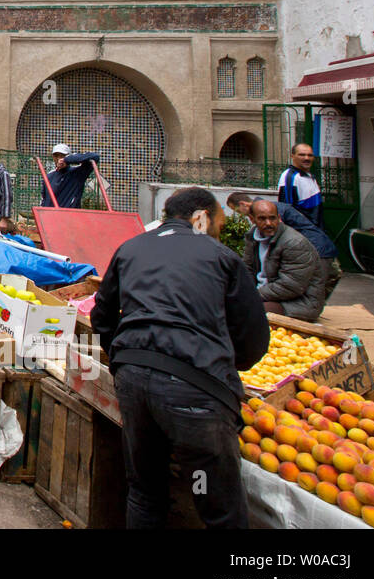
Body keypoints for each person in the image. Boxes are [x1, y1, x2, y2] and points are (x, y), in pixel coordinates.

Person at [92, 187, 268, 529]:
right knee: (211, 498)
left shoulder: (131, 248)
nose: (219, 227)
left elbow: (102, 315)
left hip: (134, 385)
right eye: (219, 220)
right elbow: (253, 337)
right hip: (195, 395)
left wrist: (126, 358)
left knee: (145, 491)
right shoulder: (221, 257)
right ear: (201, 217)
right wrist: (226, 367)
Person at [241, 199, 328, 321]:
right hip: (266, 294)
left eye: (272, 218)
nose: (269, 223)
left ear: (279, 218)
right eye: (262, 219)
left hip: (299, 302)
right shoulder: (252, 237)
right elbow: (246, 269)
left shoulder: (294, 243)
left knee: (248, 311)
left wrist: (253, 295)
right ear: (252, 219)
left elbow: (291, 286)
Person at [40, 144, 101, 209]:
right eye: (56, 156)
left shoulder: (77, 173)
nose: (59, 158)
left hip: (70, 215)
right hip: (51, 215)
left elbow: (95, 157)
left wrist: (68, 160)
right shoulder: (49, 176)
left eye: (62, 156)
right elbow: (44, 198)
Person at [278, 143, 324, 229]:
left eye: (310, 155)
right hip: (304, 232)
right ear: (292, 156)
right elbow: (287, 210)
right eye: (302, 155)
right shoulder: (290, 177)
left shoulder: (309, 175)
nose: (306, 158)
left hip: (315, 229)